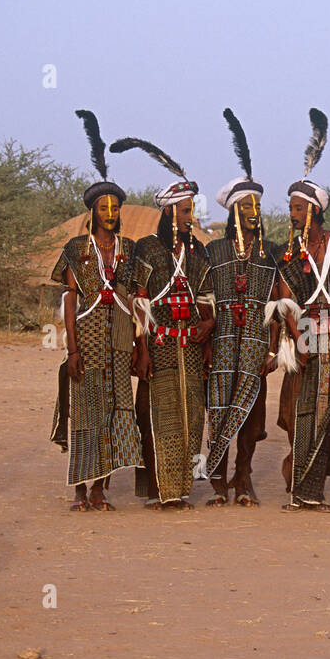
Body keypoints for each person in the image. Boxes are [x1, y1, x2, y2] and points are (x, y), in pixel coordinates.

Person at [50, 110, 142, 511]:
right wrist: (71, 350)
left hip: (120, 343)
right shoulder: (76, 249)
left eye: (115, 207)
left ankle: (102, 488)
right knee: (86, 413)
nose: (110, 212)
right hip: (85, 344)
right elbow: (69, 299)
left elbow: (138, 303)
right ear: (93, 212)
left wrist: (139, 346)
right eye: (103, 207)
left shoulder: (130, 251)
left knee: (115, 413)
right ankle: (80, 489)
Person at [117, 139, 212, 511]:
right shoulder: (147, 248)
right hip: (157, 343)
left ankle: (181, 490)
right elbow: (138, 299)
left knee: (191, 418)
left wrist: (208, 330)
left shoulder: (198, 251)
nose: (190, 217)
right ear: (171, 212)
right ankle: (161, 491)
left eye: (191, 210)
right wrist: (140, 348)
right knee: (159, 417)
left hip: (190, 345)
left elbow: (206, 298)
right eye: (185, 211)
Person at [275, 108, 330, 512]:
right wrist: (297, 339)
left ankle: (317, 490)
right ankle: (300, 490)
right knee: (304, 407)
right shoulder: (288, 253)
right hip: (305, 329)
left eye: (296, 207)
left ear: (313, 209)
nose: (291, 213)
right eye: (290, 207)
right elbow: (285, 300)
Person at [199, 110, 281, 507]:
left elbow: (279, 307)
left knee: (251, 416)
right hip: (222, 344)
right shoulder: (213, 251)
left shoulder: (270, 255)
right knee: (218, 411)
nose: (255, 210)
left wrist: (272, 350)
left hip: (254, 346)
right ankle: (216, 483)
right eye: (247, 204)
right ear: (233, 210)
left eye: (258, 204)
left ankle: (244, 478)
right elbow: (204, 303)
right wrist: (207, 344)